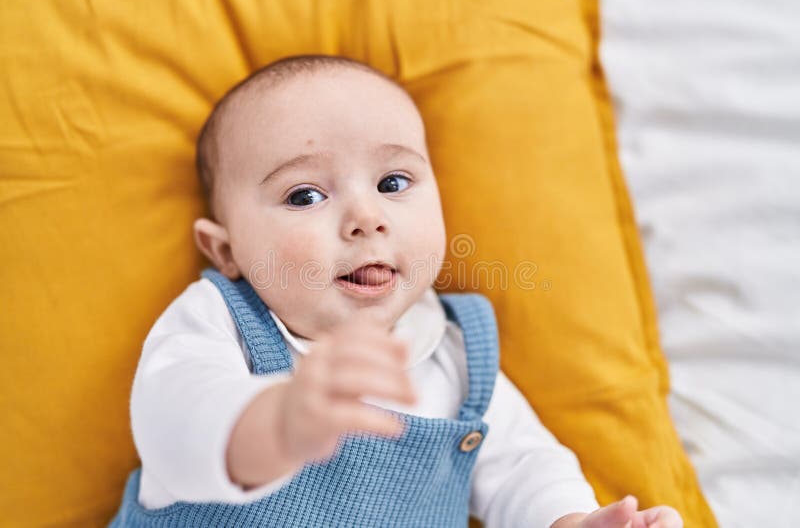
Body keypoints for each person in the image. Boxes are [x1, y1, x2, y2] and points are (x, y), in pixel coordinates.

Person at [111, 55, 682, 528]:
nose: (366, 217)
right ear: (228, 252)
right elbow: (176, 421)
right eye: (305, 196)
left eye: (393, 183)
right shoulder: (220, 323)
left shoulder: (455, 353)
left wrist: (570, 519)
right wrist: (278, 421)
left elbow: (522, 467)